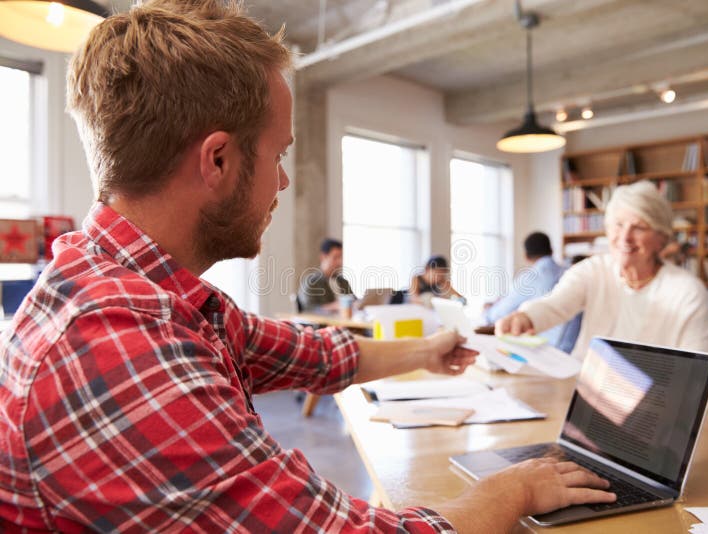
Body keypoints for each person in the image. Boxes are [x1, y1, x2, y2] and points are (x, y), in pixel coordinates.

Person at [0, 1, 615, 532]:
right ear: (216, 161)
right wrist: (513, 488)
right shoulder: (119, 345)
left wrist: (428, 351)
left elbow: (312, 353)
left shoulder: (142, 291)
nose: (284, 181)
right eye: (279, 154)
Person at [497, 181, 708, 359]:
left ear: (662, 238)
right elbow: (555, 305)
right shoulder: (592, 271)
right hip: (586, 391)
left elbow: (698, 369)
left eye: (639, 227)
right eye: (618, 224)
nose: (625, 237)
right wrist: (526, 317)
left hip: (653, 402)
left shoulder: (686, 291)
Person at [484, 232, 580, 353]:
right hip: (574, 352)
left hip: (546, 353)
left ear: (526, 256)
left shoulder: (531, 278)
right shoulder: (571, 273)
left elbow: (496, 315)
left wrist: (487, 311)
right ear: (551, 250)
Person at [298, 237, 354, 313]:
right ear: (323, 257)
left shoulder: (343, 282)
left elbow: (353, 300)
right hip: (324, 323)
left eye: (341, 257)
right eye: (335, 257)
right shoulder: (312, 281)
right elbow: (308, 308)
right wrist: (333, 307)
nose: (339, 262)